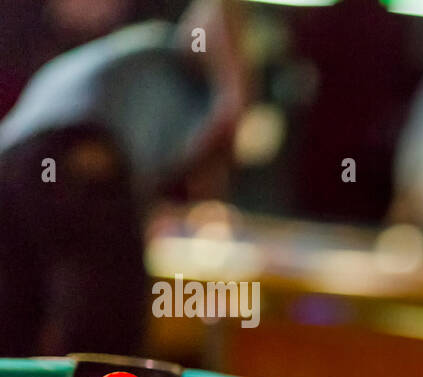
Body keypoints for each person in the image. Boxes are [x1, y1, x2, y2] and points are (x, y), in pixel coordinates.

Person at [0, 0, 246, 358]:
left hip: (12, 164)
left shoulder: (146, 55)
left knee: (20, 305)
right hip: (70, 151)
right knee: (111, 309)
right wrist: (236, 90)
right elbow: (216, 14)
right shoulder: (196, 80)